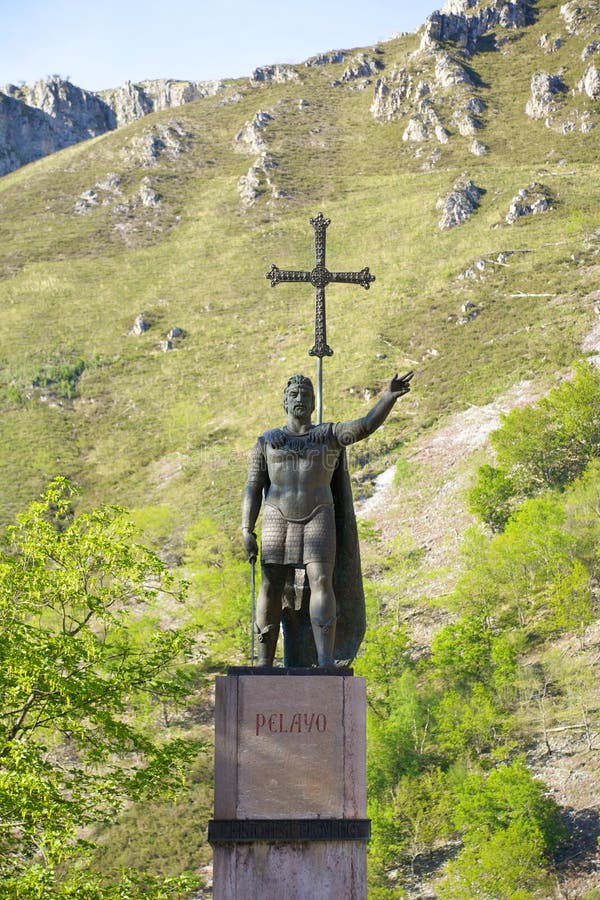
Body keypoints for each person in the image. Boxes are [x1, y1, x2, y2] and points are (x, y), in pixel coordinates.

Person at [242, 371, 413, 666]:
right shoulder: (267, 442)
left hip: (318, 517)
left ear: (313, 402)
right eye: (294, 395)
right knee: (271, 585)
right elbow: (253, 487)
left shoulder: (330, 436)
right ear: (284, 402)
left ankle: (325, 661)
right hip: (275, 519)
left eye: (305, 395)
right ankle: (263, 663)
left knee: (321, 581)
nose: (299, 399)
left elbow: (365, 426)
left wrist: (387, 397)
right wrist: (246, 527)